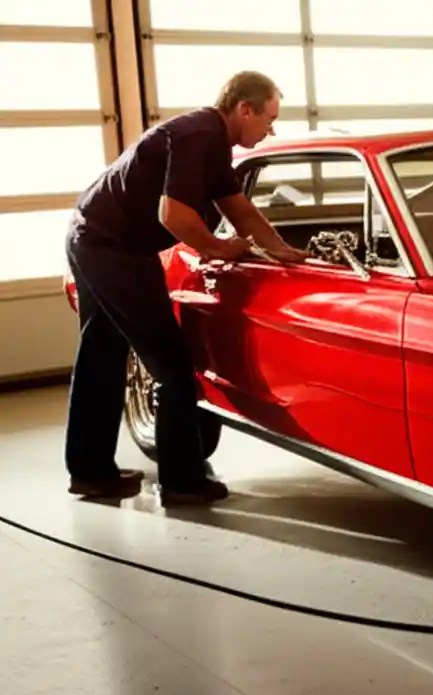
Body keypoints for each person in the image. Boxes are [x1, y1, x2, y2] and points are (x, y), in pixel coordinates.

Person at [64, 70, 309, 506]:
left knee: (103, 352)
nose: (271, 128)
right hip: (111, 246)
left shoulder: (215, 145)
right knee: (173, 363)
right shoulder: (200, 135)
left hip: (94, 234)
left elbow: (242, 211)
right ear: (243, 108)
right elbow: (173, 216)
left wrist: (284, 251)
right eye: (268, 118)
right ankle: (181, 481)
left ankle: (90, 472)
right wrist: (218, 248)